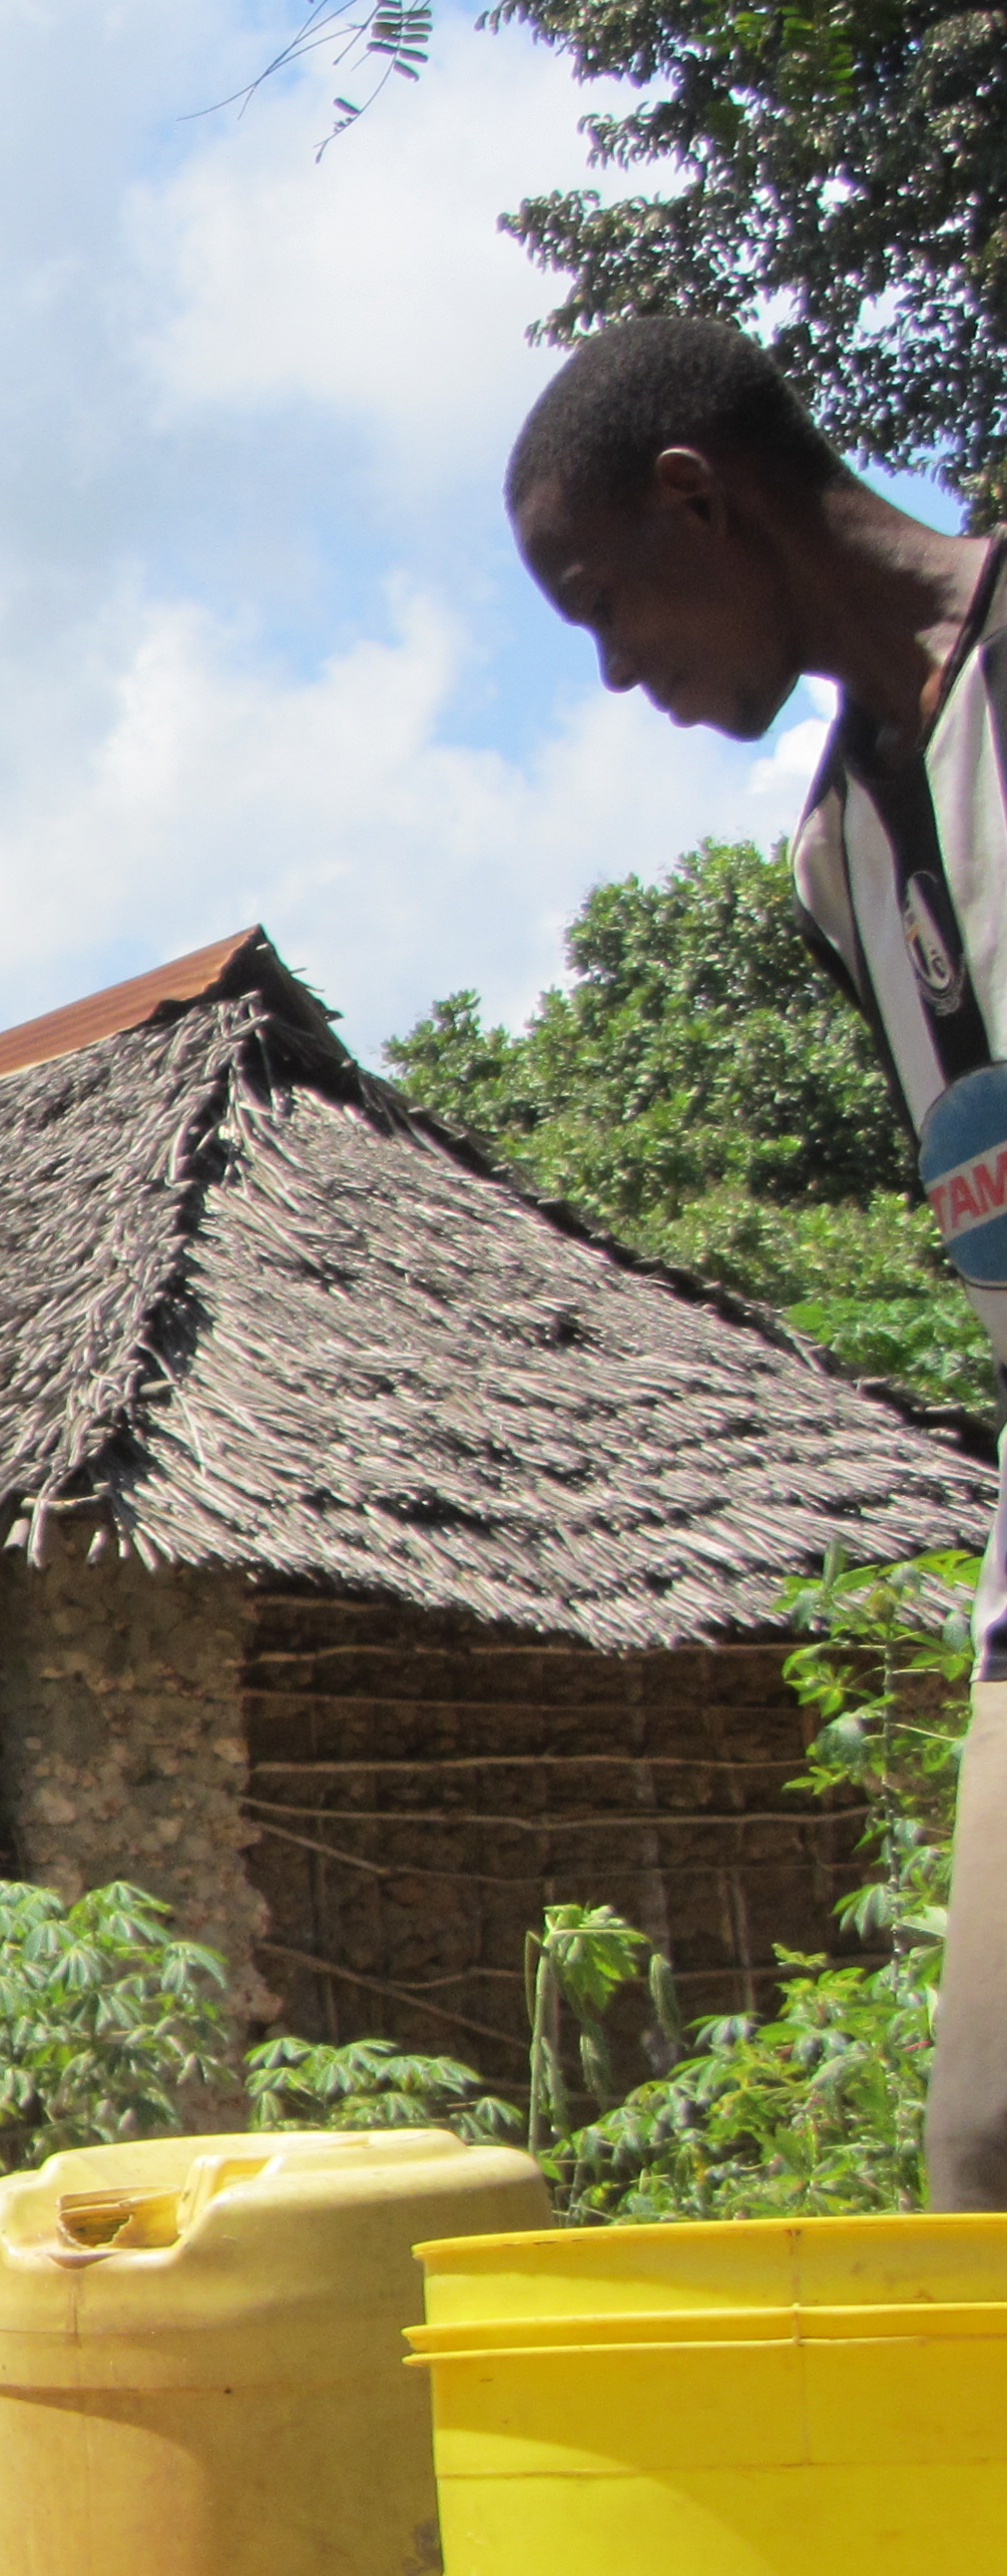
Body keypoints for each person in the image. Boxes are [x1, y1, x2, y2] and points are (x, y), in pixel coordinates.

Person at [504, 316, 1003, 2201]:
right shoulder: (841, 847)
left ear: (699, 501)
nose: (620, 669)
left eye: (607, 605)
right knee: (988, 2156)